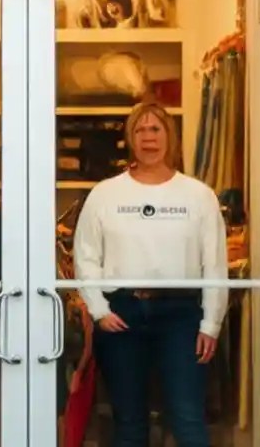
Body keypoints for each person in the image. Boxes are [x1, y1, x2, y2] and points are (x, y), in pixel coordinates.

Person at [73, 101, 228, 447]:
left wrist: (210, 324)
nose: (148, 138)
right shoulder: (105, 194)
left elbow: (215, 263)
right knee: (128, 421)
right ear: (131, 138)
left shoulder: (198, 195)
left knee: (187, 417)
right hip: (122, 314)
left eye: (155, 129)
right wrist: (99, 310)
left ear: (169, 136)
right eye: (140, 130)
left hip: (181, 315)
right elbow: (86, 257)